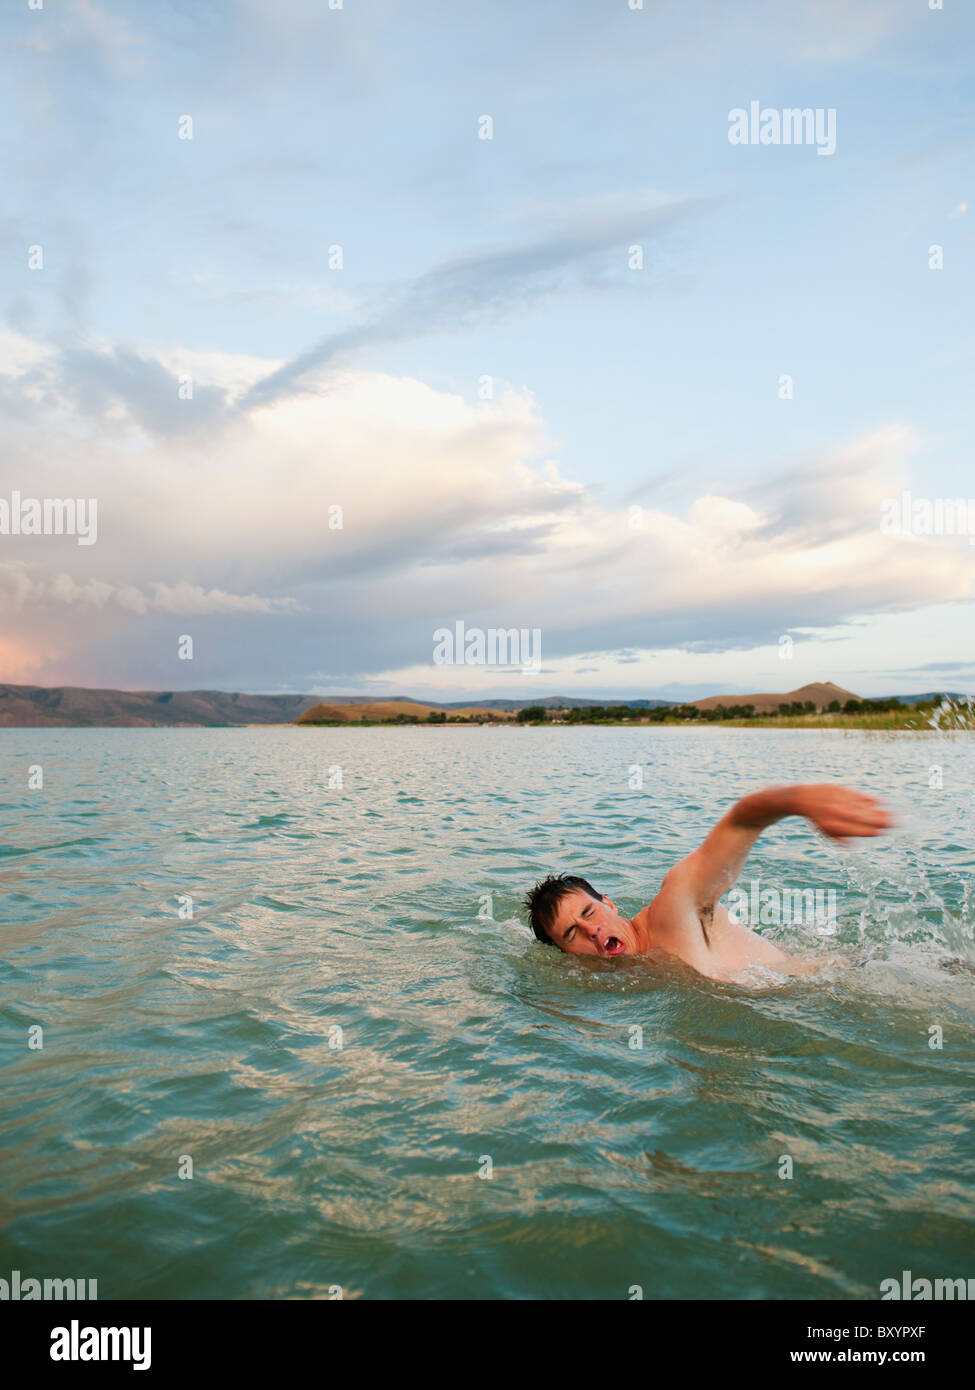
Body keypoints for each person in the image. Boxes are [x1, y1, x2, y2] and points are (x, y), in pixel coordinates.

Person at [524, 784, 893, 980]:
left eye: (590, 911)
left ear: (610, 903)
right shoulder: (634, 973)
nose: (591, 929)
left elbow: (741, 821)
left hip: (870, 979)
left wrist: (800, 800)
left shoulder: (672, 908)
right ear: (564, 955)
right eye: (571, 934)